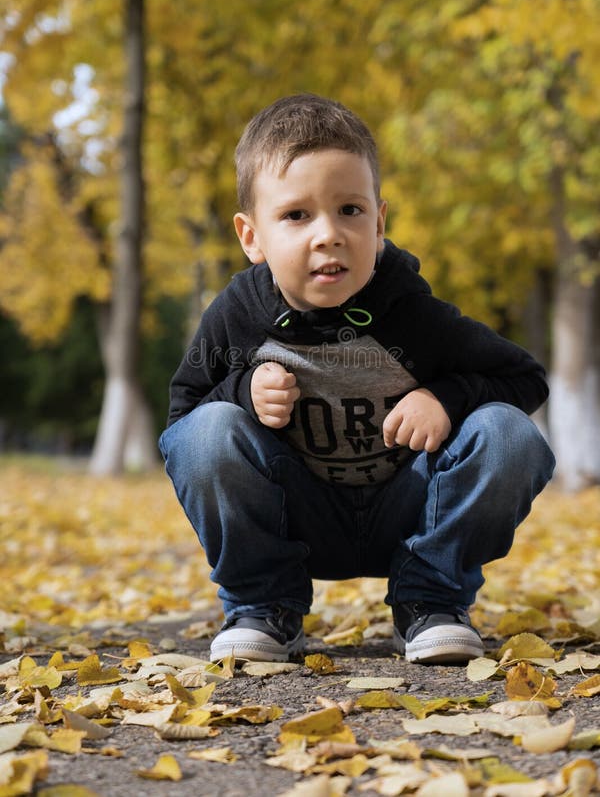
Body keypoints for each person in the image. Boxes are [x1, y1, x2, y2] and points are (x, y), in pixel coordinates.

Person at [159, 93, 555, 665]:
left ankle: (431, 602)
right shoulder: (238, 315)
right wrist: (242, 393)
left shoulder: (413, 314)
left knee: (508, 433)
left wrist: (444, 398)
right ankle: (263, 607)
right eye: (297, 215)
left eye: (350, 210)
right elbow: (181, 421)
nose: (329, 234)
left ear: (379, 221)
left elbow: (525, 378)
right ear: (252, 238)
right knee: (207, 432)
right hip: (295, 511)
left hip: (413, 508)